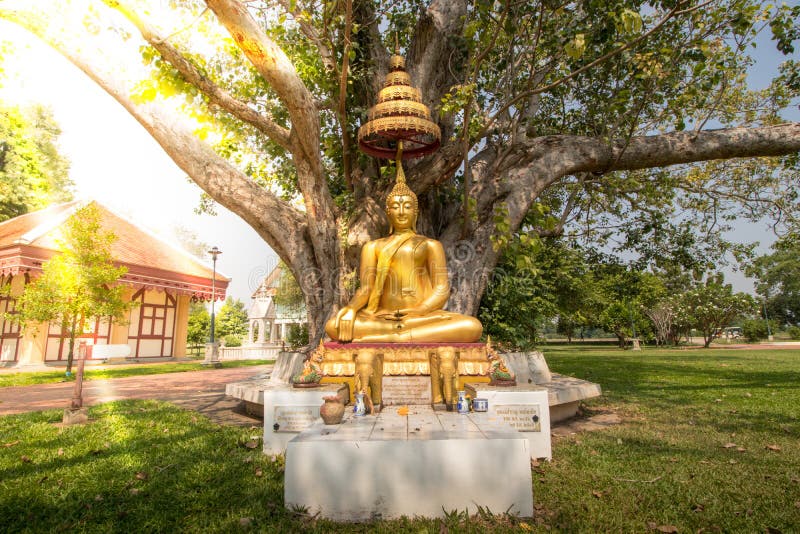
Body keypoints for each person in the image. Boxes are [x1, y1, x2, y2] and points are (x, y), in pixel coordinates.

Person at [325, 169, 482, 343]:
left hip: (421, 318)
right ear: (388, 212)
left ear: (415, 212)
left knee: (471, 326)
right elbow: (366, 289)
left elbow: (441, 289)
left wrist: (420, 310)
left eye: (407, 207)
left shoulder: (430, 245)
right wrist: (352, 308)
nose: (401, 211)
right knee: (334, 326)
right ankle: (403, 337)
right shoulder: (373, 247)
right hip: (381, 318)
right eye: (395, 207)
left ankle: (394, 338)